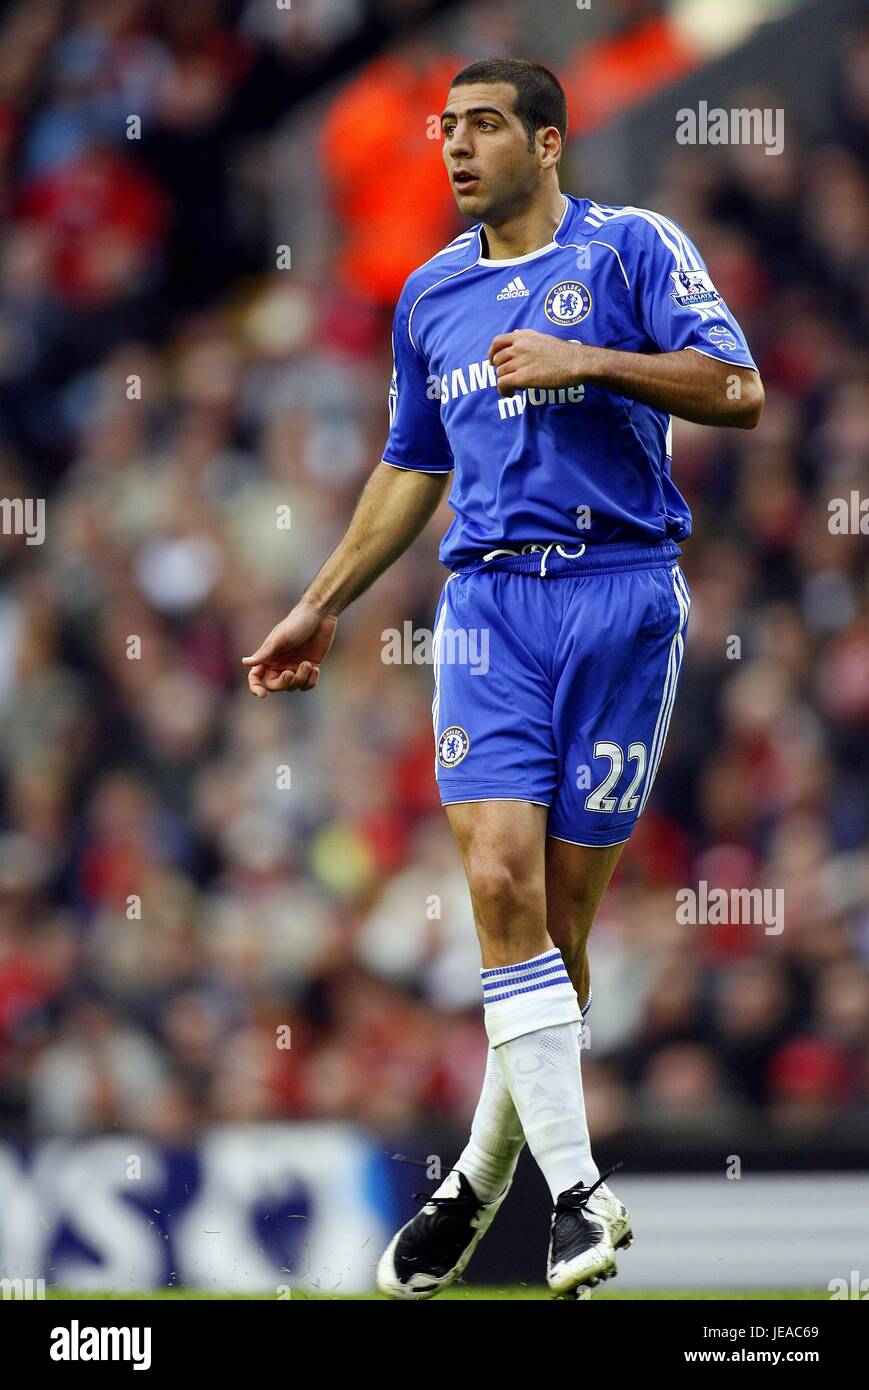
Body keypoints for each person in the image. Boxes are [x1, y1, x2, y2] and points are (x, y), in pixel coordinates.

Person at [243, 58, 763, 1300]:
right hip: (486, 612)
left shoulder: (632, 247)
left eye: (482, 126)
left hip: (624, 595)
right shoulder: (428, 297)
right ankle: (577, 1196)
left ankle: (476, 1180)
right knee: (494, 882)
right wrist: (320, 601)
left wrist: (589, 359)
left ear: (547, 141)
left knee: (559, 936)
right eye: (445, 129)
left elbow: (735, 389)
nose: (455, 148)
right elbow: (410, 467)